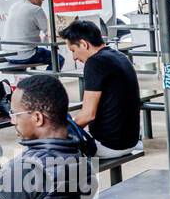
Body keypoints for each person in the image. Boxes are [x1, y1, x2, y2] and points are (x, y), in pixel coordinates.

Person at [61, 20, 142, 157]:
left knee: (51, 151)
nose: (74, 57)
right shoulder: (120, 56)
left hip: (109, 145)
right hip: (130, 141)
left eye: (73, 50)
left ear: (84, 44)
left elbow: (88, 115)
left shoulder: (95, 63)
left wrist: (60, 133)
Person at [2, 0, 63, 69]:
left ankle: (38, 80)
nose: (42, 1)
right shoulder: (36, 9)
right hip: (25, 55)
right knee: (59, 59)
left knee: (36, 50)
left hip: (9, 55)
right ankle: (45, 82)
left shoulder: (14, 6)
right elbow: (48, 31)